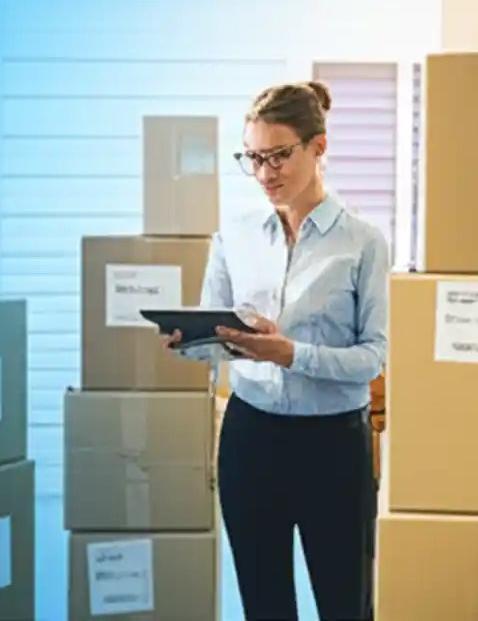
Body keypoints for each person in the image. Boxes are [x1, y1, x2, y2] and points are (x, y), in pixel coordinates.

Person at [164, 80, 388, 620]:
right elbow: (215, 334)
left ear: (318, 147)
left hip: (334, 446)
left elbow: (372, 358)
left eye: (278, 155)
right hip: (251, 437)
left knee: (345, 605)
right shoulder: (233, 237)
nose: (265, 173)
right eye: (253, 158)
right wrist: (193, 340)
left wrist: (290, 354)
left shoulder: (363, 243)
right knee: (264, 606)